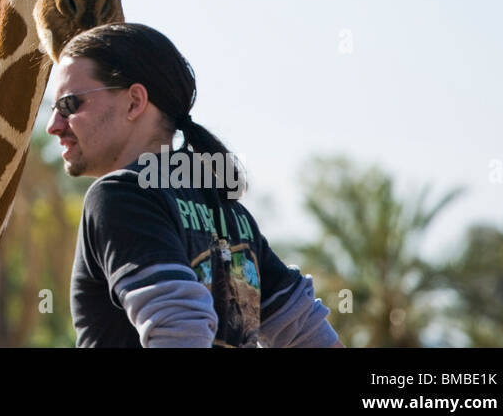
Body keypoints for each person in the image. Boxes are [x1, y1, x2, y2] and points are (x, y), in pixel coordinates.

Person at [47, 23, 342, 348]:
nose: (53, 126)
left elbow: (180, 327)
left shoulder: (120, 195)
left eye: (69, 105)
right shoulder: (231, 213)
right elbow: (309, 334)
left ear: (134, 102)